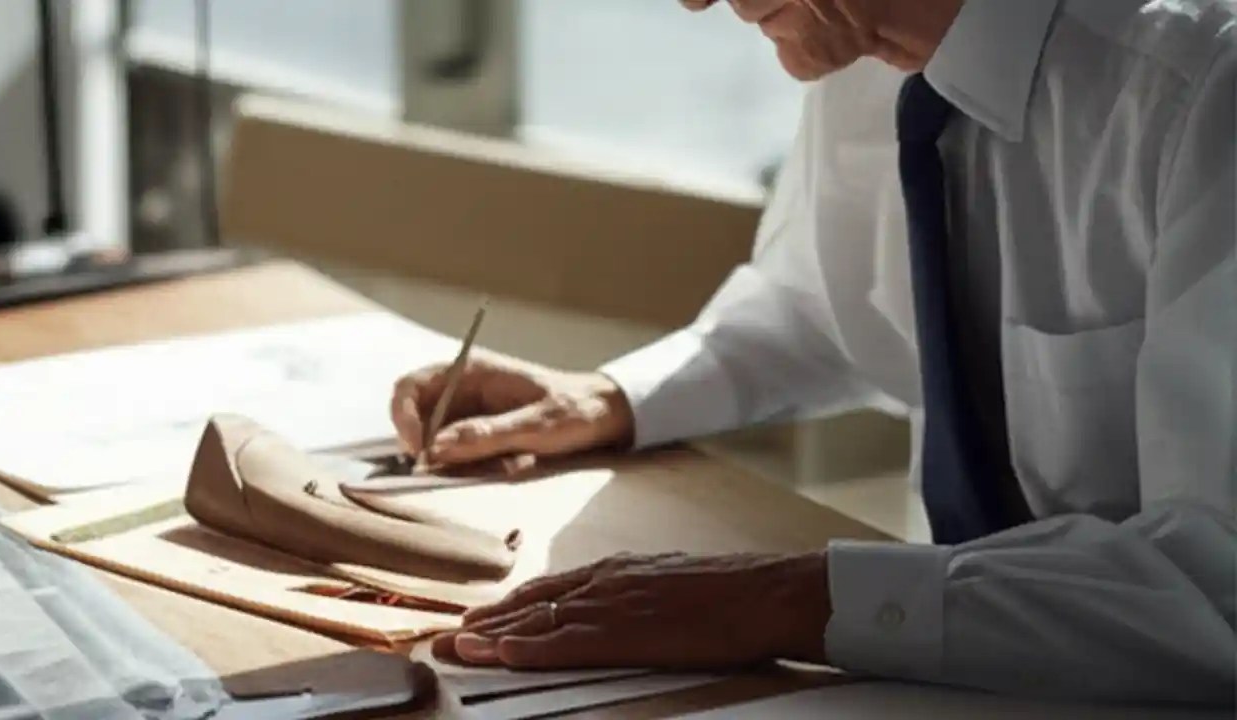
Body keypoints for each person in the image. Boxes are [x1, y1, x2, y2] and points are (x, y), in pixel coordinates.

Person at [391, 0, 1236, 705]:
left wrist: (787, 597)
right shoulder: (867, 38)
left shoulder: (1206, 92)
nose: (692, 1)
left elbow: (1218, 583)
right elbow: (824, 303)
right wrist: (614, 397)